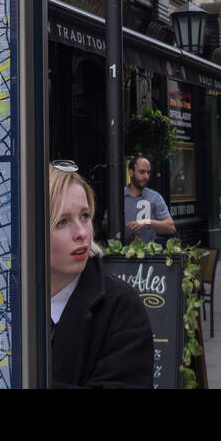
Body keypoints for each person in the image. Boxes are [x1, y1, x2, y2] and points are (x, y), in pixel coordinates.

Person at [49, 165, 153, 387]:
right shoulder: (2, 303)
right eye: (62, 221)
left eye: (85, 216)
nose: (82, 233)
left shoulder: (121, 306)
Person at [123, 155, 175, 245]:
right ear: (131, 173)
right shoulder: (119, 196)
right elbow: (106, 224)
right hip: (121, 253)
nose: (146, 177)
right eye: (142, 172)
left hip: (147, 254)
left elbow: (171, 227)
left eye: (148, 172)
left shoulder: (155, 197)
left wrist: (147, 222)